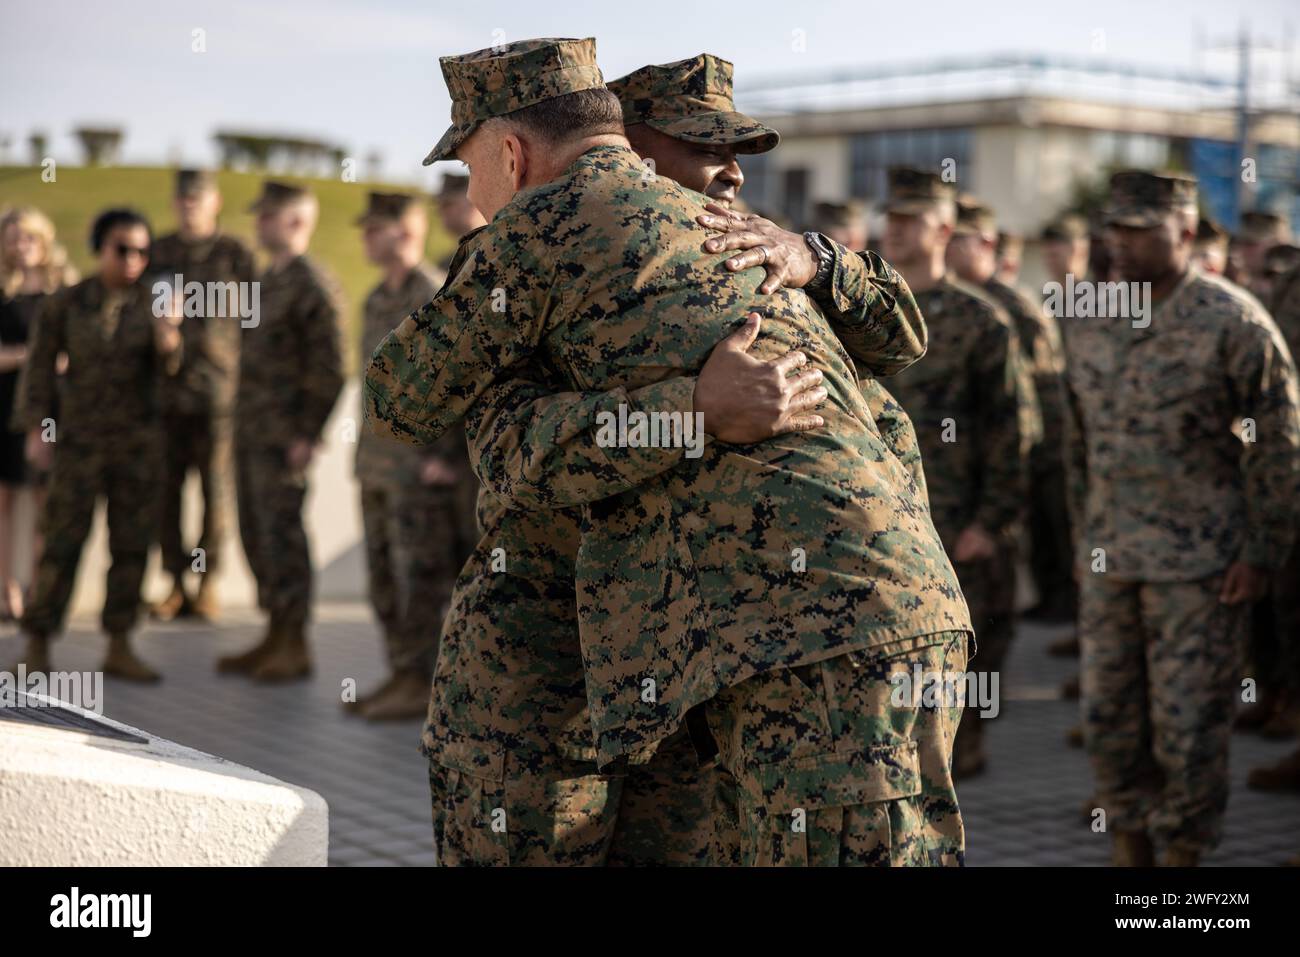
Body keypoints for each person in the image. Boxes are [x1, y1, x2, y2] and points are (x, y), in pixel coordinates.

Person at [367, 38, 973, 867]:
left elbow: (403, 395)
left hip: (779, 642)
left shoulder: (735, 254)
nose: (729, 174)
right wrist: (692, 411)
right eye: (705, 146)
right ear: (630, 143)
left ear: (510, 153)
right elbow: (890, 427)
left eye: (737, 153)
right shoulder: (696, 252)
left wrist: (812, 266)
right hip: (691, 649)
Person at [1063, 170, 1300, 866]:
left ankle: (1182, 866)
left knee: (1189, 731)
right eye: (1116, 228)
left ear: (1186, 232)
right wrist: (1084, 536)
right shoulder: (1090, 315)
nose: (1121, 242)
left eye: (1141, 229)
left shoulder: (1233, 321)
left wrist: (1261, 550)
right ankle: (1130, 852)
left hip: (1202, 567)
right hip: (1111, 558)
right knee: (1109, 722)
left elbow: (1278, 445)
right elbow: (1078, 440)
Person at [879, 171, 1035, 779]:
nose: (893, 229)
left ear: (944, 229)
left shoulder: (981, 321)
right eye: (890, 217)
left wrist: (992, 522)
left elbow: (1013, 430)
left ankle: (956, 759)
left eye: (909, 219)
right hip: (885, 517)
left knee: (968, 652)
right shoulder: (864, 311)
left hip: (957, 519)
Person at [8, 208, 183, 681]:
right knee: (62, 542)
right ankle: (38, 643)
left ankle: (120, 644)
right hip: (79, 443)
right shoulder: (67, 303)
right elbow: (39, 369)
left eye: (142, 251)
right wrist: (36, 431)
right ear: (100, 248)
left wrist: (170, 341)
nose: (133, 260)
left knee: (130, 546)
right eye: (122, 249)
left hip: (137, 447)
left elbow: (174, 377)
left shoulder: (154, 304)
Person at [351, 191, 472, 720]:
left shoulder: (436, 293)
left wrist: (447, 454)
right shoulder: (377, 297)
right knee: (381, 577)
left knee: (417, 579)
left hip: (419, 468)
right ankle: (399, 672)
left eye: (373, 229)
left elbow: (459, 378)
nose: (364, 239)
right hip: (377, 464)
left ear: (404, 232)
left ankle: (420, 681)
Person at [218, 181, 343, 682]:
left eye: (267, 216)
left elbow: (330, 367)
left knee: (283, 535)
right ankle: (274, 632)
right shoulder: (269, 279)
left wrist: (307, 433)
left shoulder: (313, 283)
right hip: (252, 432)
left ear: (294, 221)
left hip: (284, 437)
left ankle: (294, 644)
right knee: (256, 534)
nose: (257, 224)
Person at [148, 169, 256, 622]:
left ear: (215, 201)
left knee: (215, 493)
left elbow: (254, 324)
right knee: (166, 493)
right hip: (166, 395)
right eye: (183, 199)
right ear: (175, 204)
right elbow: (147, 316)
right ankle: (174, 583)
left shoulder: (234, 254)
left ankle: (207, 583)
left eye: (199, 197)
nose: (190, 204)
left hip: (219, 396)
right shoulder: (159, 252)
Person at [0, 206, 76, 620]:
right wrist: (31, 356)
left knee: (47, 499)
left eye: (27, 237)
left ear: (43, 241)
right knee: (5, 500)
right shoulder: (1, 289)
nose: (20, 245)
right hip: (5, 404)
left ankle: (38, 591)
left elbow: (80, 350)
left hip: (53, 407)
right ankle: (5, 590)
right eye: (12, 237)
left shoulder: (63, 289)